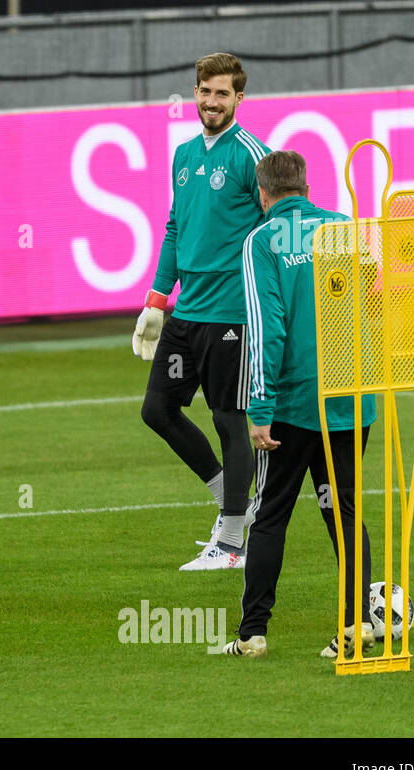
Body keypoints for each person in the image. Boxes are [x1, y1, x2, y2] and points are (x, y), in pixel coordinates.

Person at [217, 150, 376, 658]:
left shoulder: (261, 241)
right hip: (351, 396)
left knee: (270, 516)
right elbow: (369, 297)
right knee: (343, 511)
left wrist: (259, 408)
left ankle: (253, 634)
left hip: (293, 405)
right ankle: (357, 628)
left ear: (262, 194)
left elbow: (269, 328)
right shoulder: (345, 230)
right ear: (306, 186)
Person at [133, 53, 270, 571]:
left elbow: (277, 221)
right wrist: (156, 301)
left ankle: (233, 543)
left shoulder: (252, 155)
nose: (211, 101)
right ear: (194, 93)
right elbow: (175, 228)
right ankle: (231, 506)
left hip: (232, 312)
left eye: (222, 93)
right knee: (157, 410)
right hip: (186, 313)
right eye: (204, 91)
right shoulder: (185, 154)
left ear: (239, 98)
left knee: (229, 419)